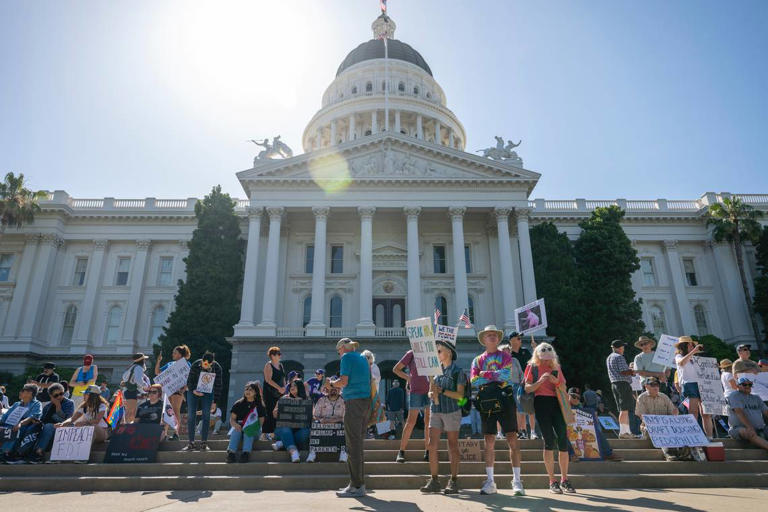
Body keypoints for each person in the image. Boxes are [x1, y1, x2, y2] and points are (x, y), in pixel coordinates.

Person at [472, 325, 525, 496]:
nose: (492, 337)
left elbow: (506, 376)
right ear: (484, 339)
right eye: (489, 335)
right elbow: (473, 380)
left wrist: (485, 375)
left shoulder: (505, 356)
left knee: (512, 438)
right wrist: (494, 374)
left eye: (495, 335)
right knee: (489, 441)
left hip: (505, 398)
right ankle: (490, 481)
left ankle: (517, 481)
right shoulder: (478, 359)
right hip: (487, 401)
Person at [524, 342, 575, 494]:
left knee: (562, 440)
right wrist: (540, 382)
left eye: (549, 358)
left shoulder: (556, 367)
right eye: (544, 358)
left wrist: (556, 382)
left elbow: (564, 387)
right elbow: (527, 388)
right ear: (538, 356)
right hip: (541, 403)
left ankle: (564, 479)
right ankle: (552, 480)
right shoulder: (532, 367)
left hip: (557, 403)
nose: (547, 361)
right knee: (548, 440)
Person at [420, 335, 465, 494]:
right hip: (436, 411)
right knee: (432, 445)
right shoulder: (435, 371)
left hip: (452, 411)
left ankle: (453, 480)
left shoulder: (457, 372)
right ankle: (434, 480)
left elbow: (460, 396)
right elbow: (431, 391)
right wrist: (431, 394)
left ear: (449, 353)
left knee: (452, 445)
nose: (436, 353)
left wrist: (443, 391)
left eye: (439, 350)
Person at [331, 338, 372, 498]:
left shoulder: (346, 358)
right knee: (358, 444)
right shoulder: (362, 358)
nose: (339, 353)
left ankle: (357, 485)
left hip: (354, 403)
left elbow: (344, 382)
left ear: (342, 348)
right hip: (365, 402)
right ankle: (356, 484)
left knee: (352, 445)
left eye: (338, 351)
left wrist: (331, 384)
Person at [393, 348, 430, 463]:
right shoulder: (411, 353)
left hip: (430, 391)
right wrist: (409, 378)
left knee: (428, 422)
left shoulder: (432, 352)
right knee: (410, 422)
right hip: (415, 392)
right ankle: (401, 451)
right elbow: (396, 369)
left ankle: (428, 451)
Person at [674, 336, 713, 439]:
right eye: (690, 344)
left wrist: (713, 368)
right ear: (684, 346)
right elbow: (681, 362)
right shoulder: (678, 356)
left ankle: (710, 437)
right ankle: (694, 436)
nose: (692, 346)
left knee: (706, 413)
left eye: (693, 344)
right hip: (689, 384)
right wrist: (694, 351)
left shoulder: (697, 357)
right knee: (693, 411)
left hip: (702, 383)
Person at [184, 351, 224, 451]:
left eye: (208, 364)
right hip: (193, 390)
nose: (205, 366)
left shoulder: (217, 368)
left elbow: (218, 385)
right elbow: (189, 381)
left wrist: (215, 401)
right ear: (202, 361)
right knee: (191, 415)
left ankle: (204, 443)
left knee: (206, 415)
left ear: (212, 363)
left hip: (208, 392)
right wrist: (194, 390)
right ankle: (191, 442)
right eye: (204, 363)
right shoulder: (195, 365)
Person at [634, 377, 682, 460]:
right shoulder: (641, 398)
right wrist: (657, 425)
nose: (656, 387)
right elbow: (642, 416)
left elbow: (672, 412)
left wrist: (675, 412)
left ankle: (684, 452)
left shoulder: (664, 397)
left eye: (657, 385)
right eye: (652, 385)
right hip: (648, 428)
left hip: (666, 426)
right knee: (661, 432)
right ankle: (667, 453)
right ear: (646, 386)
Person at [27, 383, 74, 463]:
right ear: (51, 396)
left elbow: (67, 419)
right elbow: (42, 419)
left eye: (61, 394)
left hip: (63, 427)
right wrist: (36, 421)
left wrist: (58, 406)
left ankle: (39, 452)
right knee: (31, 427)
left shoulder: (69, 403)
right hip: (47, 429)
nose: (59, 396)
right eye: (56, 395)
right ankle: (21, 452)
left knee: (48, 426)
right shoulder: (47, 406)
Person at [154, 344, 191, 440]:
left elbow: (189, 377)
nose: (173, 354)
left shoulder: (186, 363)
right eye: (173, 352)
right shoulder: (170, 364)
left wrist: (184, 388)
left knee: (175, 410)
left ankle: (176, 433)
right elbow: (157, 372)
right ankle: (165, 433)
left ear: (180, 354)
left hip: (178, 390)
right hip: (168, 390)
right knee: (167, 411)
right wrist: (158, 361)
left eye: (175, 353)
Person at [306, 382, 347, 463]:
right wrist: (322, 420)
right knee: (315, 425)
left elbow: (345, 417)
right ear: (327, 390)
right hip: (323, 425)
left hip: (338, 425)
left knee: (343, 426)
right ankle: (312, 452)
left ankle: (343, 452)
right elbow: (315, 415)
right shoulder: (321, 400)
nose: (333, 390)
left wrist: (332, 421)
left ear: (339, 390)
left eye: (336, 388)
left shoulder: (343, 401)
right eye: (331, 389)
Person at [0, 384, 42, 462]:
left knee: (15, 429)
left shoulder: (36, 404)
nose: (20, 392)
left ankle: (6, 453)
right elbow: (5, 416)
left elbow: (33, 416)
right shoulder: (16, 404)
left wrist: (20, 423)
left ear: (30, 393)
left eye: (23, 390)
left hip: (24, 425)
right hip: (9, 423)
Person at [606, 340, 638, 439]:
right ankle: (623, 432)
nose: (623, 349)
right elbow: (623, 371)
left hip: (615, 384)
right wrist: (633, 371)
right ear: (619, 348)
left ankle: (626, 432)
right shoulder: (619, 357)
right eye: (622, 347)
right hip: (622, 384)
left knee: (624, 409)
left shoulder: (609, 357)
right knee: (624, 409)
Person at [272, 379, 311, 462]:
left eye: (294, 386)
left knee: (307, 432)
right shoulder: (283, 398)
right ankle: (293, 452)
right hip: (283, 429)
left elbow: (312, 416)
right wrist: (280, 408)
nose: (292, 387)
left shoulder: (307, 399)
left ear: (300, 387)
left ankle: (283, 443)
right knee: (286, 430)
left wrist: (301, 403)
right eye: (291, 386)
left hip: (300, 430)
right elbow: (274, 415)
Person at [726, 376, 768, 450]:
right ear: (738, 386)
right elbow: (739, 412)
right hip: (738, 428)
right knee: (749, 432)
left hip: (760, 428)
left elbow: (766, 412)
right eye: (744, 385)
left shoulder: (756, 398)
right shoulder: (734, 395)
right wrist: (750, 427)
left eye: (750, 384)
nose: (748, 386)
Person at [227, 382, 265, 463]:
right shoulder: (238, 403)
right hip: (240, 429)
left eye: (250, 390)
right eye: (246, 389)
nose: (247, 391)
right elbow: (232, 419)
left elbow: (261, 421)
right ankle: (231, 454)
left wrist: (253, 428)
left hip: (254, 430)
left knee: (249, 431)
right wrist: (235, 425)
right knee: (236, 430)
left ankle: (246, 454)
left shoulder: (259, 405)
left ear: (255, 392)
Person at [508, 331, 537, 440]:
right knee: (519, 410)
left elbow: (534, 362)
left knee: (530, 407)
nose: (520, 340)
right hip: (515, 384)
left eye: (520, 338)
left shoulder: (525, 351)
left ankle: (533, 432)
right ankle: (522, 431)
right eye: (518, 338)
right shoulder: (508, 354)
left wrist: (535, 349)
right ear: (511, 340)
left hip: (527, 383)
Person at [262, 347, 286, 439]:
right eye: (278, 354)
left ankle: (274, 433)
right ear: (272, 355)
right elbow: (268, 380)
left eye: (280, 353)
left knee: (277, 412)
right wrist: (279, 388)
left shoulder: (281, 365)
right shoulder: (268, 365)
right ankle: (264, 434)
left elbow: (283, 378)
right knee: (269, 411)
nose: (280, 355)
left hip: (279, 392)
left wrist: (284, 388)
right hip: (269, 392)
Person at [121, 353, 149, 423]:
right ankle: (126, 430)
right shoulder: (138, 368)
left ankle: (127, 428)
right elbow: (138, 380)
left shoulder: (132, 367)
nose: (145, 361)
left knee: (130, 413)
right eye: (144, 359)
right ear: (142, 360)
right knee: (131, 413)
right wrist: (146, 386)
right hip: (132, 392)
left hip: (128, 391)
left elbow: (124, 378)